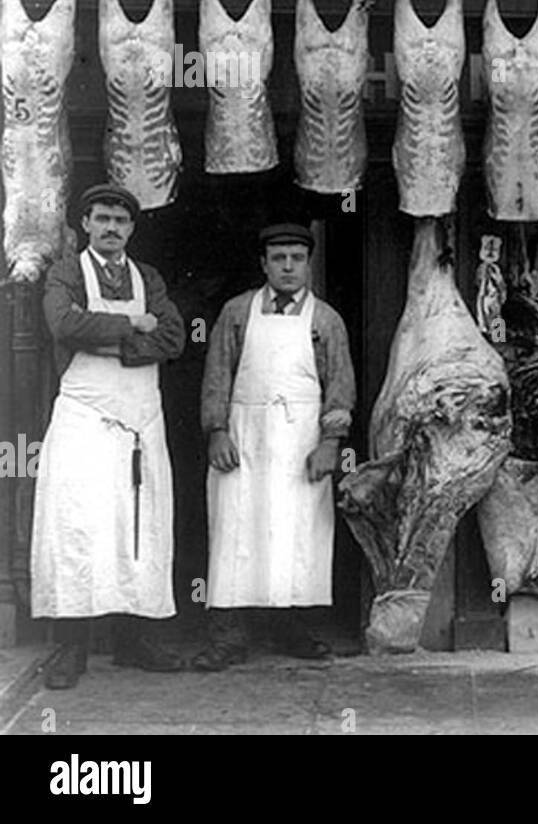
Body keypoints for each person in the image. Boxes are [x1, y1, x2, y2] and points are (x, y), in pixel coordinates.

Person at [32, 184, 187, 689]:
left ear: (132, 229)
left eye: (120, 221)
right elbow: (64, 325)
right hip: (84, 417)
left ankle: (134, 641)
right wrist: (131, 323)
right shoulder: (65, 272)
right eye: (102, 219)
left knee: (139, 529)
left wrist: (119, 344)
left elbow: (172, 337)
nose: (112, 229)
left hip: (140, 419)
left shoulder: (150, 278)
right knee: (78, 526)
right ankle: (71, 648)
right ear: (85, 224)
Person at [193, 223, 355, 670]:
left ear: (308, 263)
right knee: (234, 531)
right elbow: (217, 375)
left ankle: (290, 628)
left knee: (296, 534)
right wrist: (217, 430)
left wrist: (331, 442)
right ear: (264, 263)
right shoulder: (237, 312)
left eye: (297, 258)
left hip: (301, 442)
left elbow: (340, 385)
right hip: (245, 436)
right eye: (279, 258)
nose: (288, 267)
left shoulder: (325, 320)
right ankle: (227, 636)